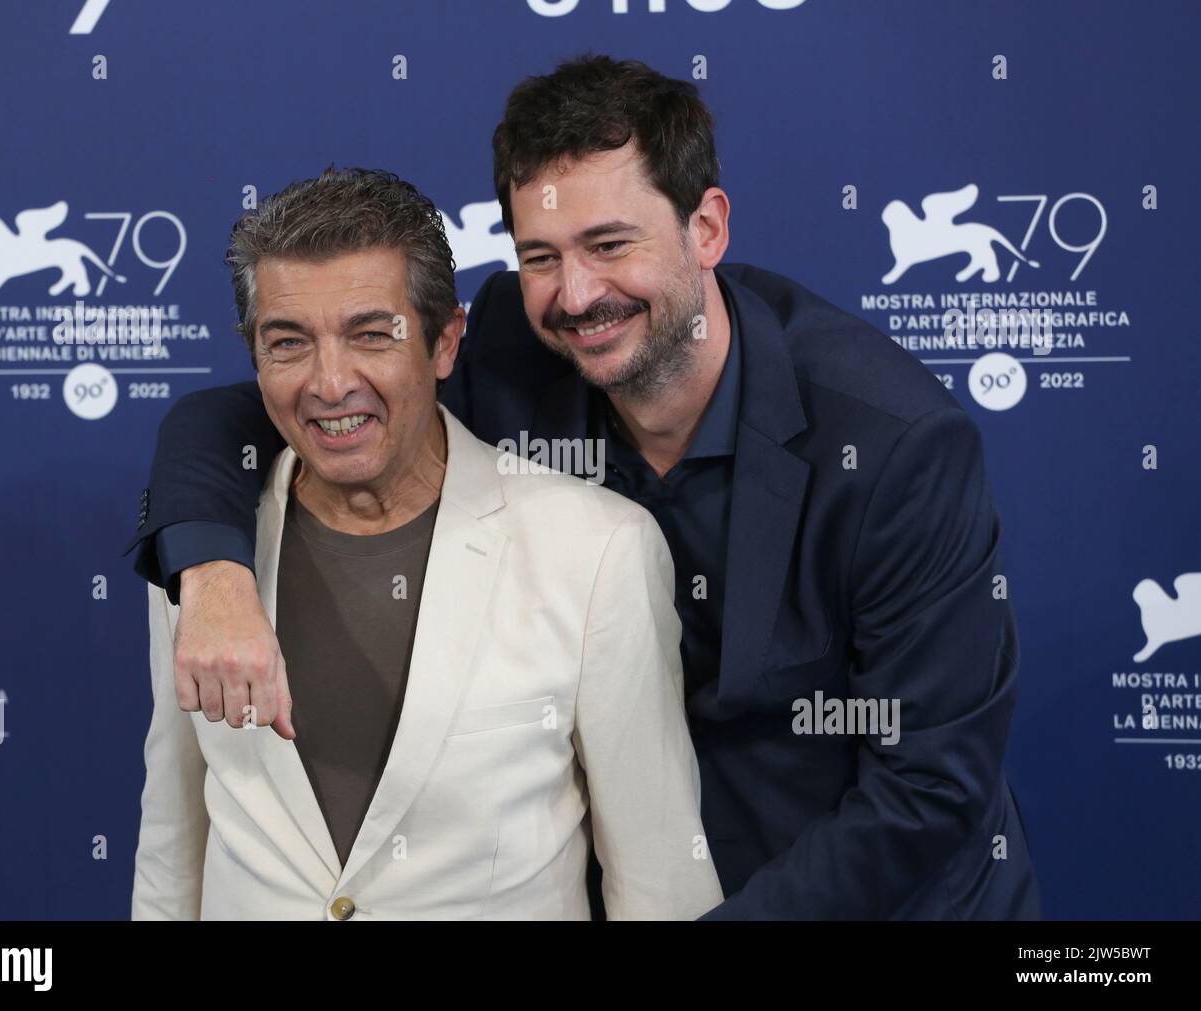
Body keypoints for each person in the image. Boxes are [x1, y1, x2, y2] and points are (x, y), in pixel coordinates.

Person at [128, 55, 1041, 919]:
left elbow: (931, 788)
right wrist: (210, 569)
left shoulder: (891, 443)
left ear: (707, 227)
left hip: (867, 897)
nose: (576, 293)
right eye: (539, 255)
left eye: (610, 243)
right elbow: (259, 413)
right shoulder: (509, 343)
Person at [131, 166, 723, 920]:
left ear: (445, 343)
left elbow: (661, 879)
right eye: (288, 342)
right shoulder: (202, 560)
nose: (330, 381)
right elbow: (173, 843)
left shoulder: (598, 550)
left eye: (371, 334)